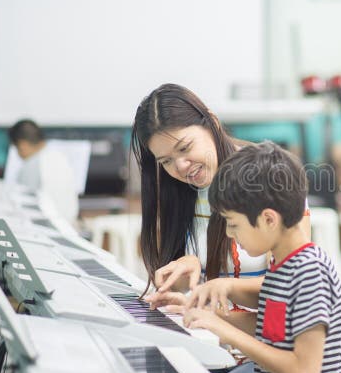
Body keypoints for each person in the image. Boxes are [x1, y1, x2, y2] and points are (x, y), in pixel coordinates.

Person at [183, 142, 341, 373]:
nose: (231, 235)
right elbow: (272, 330)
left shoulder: (309, 272)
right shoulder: (283, 265)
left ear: (268, 219)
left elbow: (304, 372)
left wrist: (223, 330)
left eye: (233, 224)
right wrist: (206, 314)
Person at [129, 83, 310, 304]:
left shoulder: (268, 175)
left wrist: (220, 288)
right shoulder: (174, 188)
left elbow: (293, 285)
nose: (181, 166)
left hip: (257, 332)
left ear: (212, 123)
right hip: (207, 327)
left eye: (185, 148)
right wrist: (184, 271)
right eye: (166, 161)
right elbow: (180, 288)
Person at [8, 119, 79, 223]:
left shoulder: (31, 165)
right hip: (69, 223)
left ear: (22, 145)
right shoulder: (60, 157)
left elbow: (21, 207)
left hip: (46, 227)